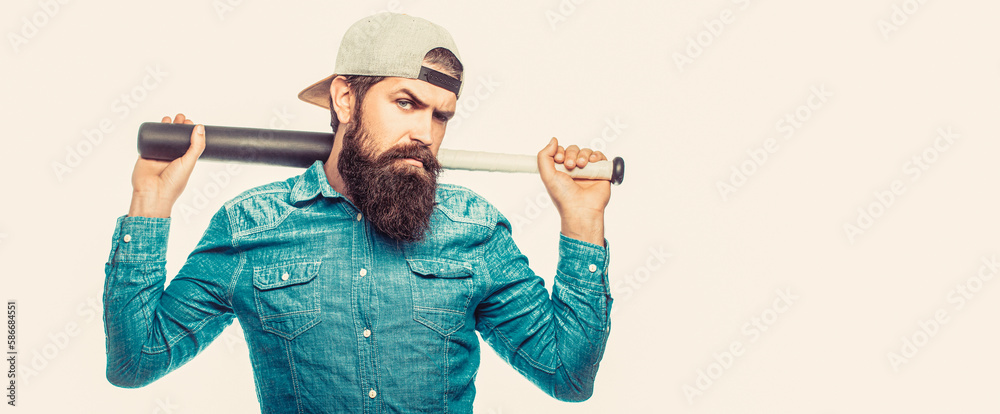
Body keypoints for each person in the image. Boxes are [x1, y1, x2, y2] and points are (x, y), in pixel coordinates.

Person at [104, 13, 613, 413]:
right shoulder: (251, 226)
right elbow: (134, 362)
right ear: (346, 98)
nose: (426, 134)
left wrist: (583, 221)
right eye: (407, 103)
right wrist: (151, 203)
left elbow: (568, 377)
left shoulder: (474, 230)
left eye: (441, 115)